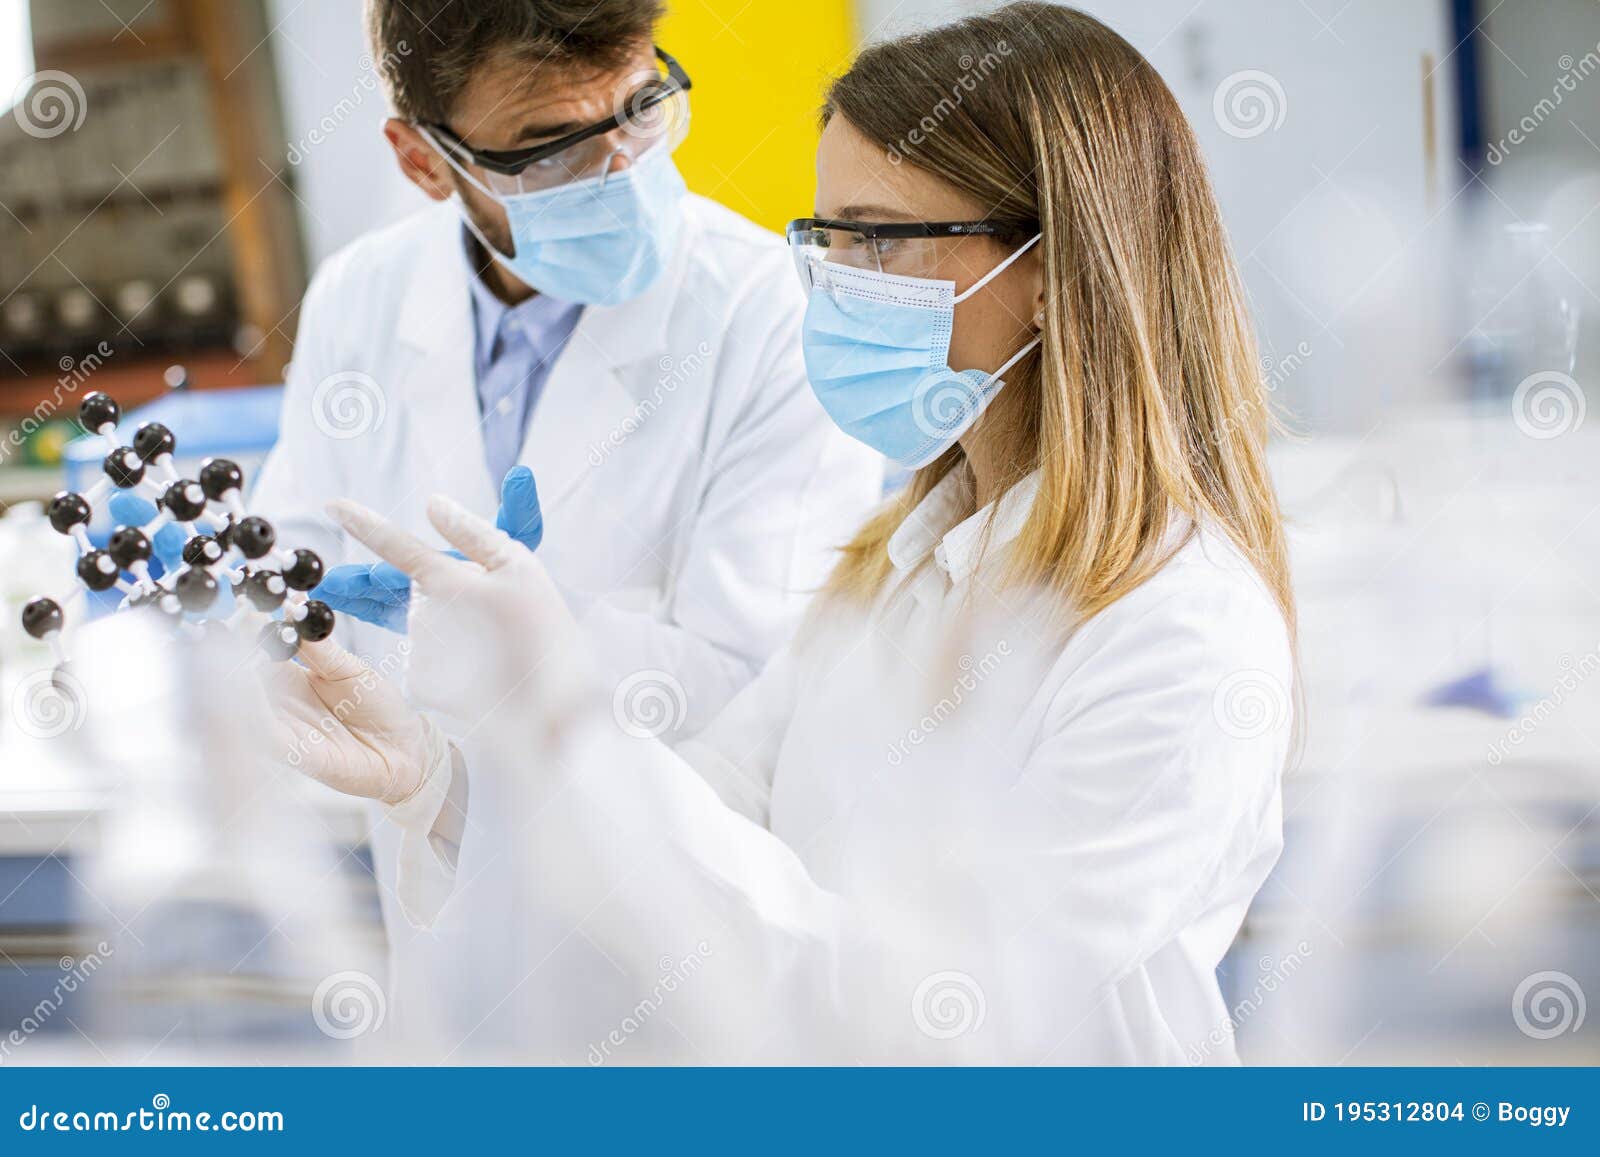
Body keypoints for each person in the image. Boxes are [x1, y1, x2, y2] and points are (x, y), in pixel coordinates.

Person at [268, 3, 1297, 1063]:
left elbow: (927, 1015)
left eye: (875, 241)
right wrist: (446, 783)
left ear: (1046, 271)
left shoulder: (1180, 638)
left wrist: (556, 692)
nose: (829, 287)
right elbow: (709, 814)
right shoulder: (892, 574)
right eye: (825, 237)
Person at [249, 0, 882, 1018]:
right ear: (422, 162)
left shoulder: (773, 314)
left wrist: (531, 632)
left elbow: (759, 691)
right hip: (448, 941)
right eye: (551, 153)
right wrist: (253, 614)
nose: (625, 168)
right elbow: (296, 566)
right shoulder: (358, 297)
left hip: (685, 956)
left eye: (642, 108)